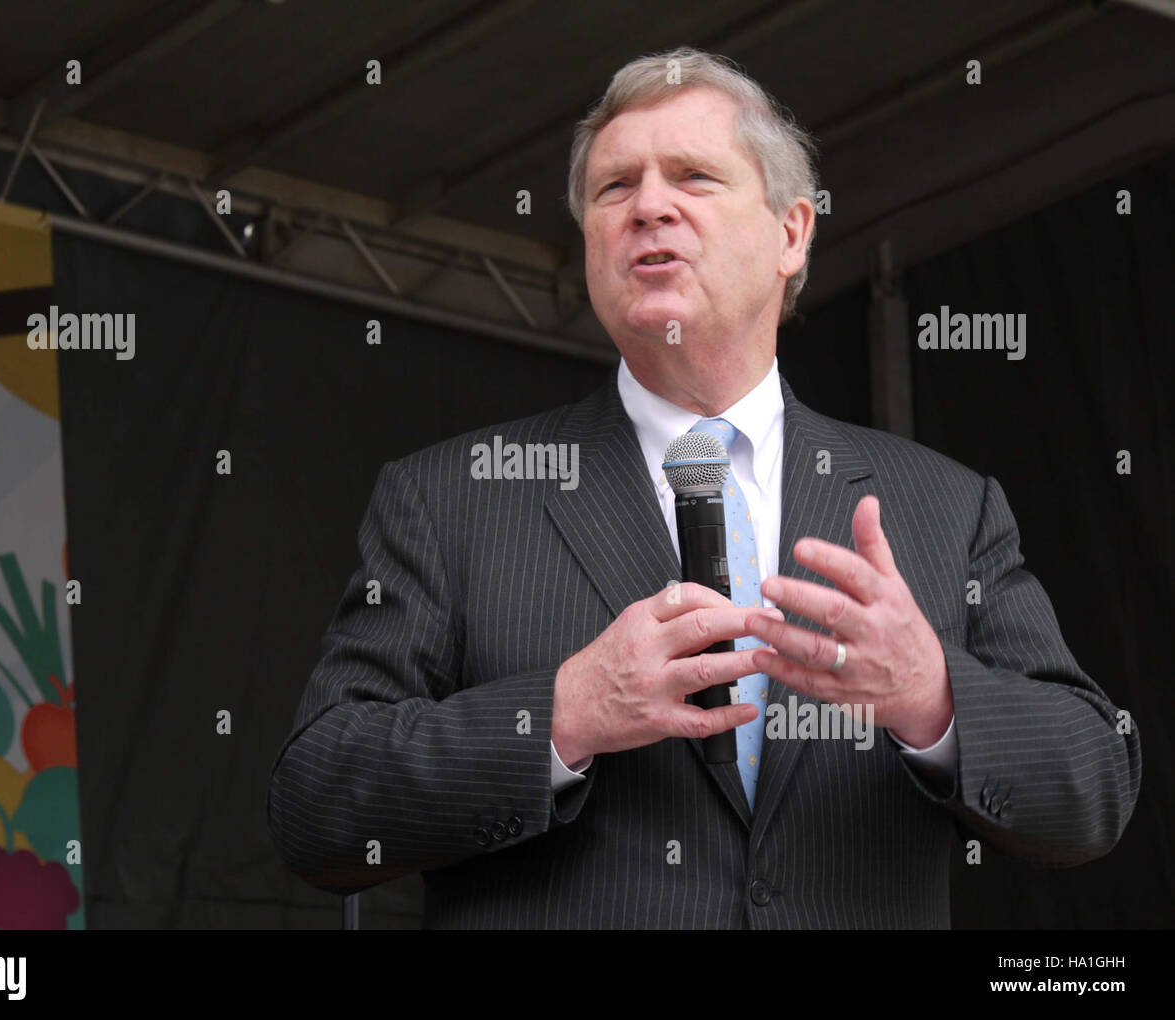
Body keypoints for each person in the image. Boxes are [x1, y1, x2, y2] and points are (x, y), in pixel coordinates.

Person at [266, 46, 1141, 928]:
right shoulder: (449, 499)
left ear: (791, 233)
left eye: (693, 176)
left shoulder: (948, 508)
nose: (649, 205)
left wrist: (928, 693)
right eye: (615, 188)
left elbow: (1096, 786)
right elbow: (316, 804)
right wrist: (566, 712)